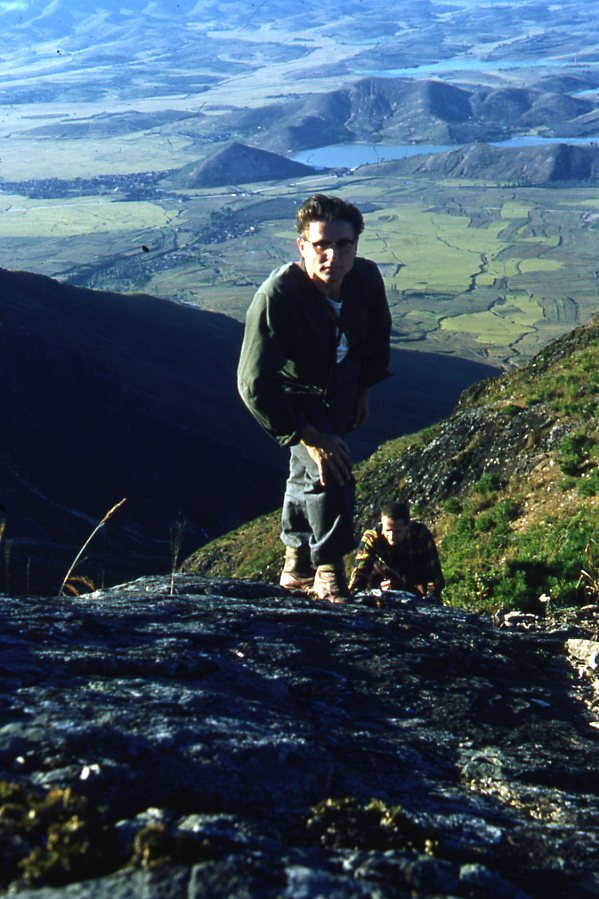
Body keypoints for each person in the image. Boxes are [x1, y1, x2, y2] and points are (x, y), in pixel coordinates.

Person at [237, 194, 391, 602]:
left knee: (303, 473)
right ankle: (328, 568)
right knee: (332, 468)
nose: (332, 255)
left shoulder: (366, 280)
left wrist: (363, 391)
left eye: (343, 245)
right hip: (293, 395)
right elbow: (253, 382)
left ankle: (296, 561)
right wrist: (305, 433)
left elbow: (375, 337)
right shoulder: (279, 296)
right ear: (302, 245)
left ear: (356, 245)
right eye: (321, 244)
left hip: (340, 388)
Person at [349, 501, 444, 602]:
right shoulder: (372, 537)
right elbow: (359, 575)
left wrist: (430, 596)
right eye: (388, 531)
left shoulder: (420, 535)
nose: (392, 537)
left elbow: (434, 576)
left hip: (415, 586)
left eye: (397, 531)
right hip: (380, 588)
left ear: (408, 526)